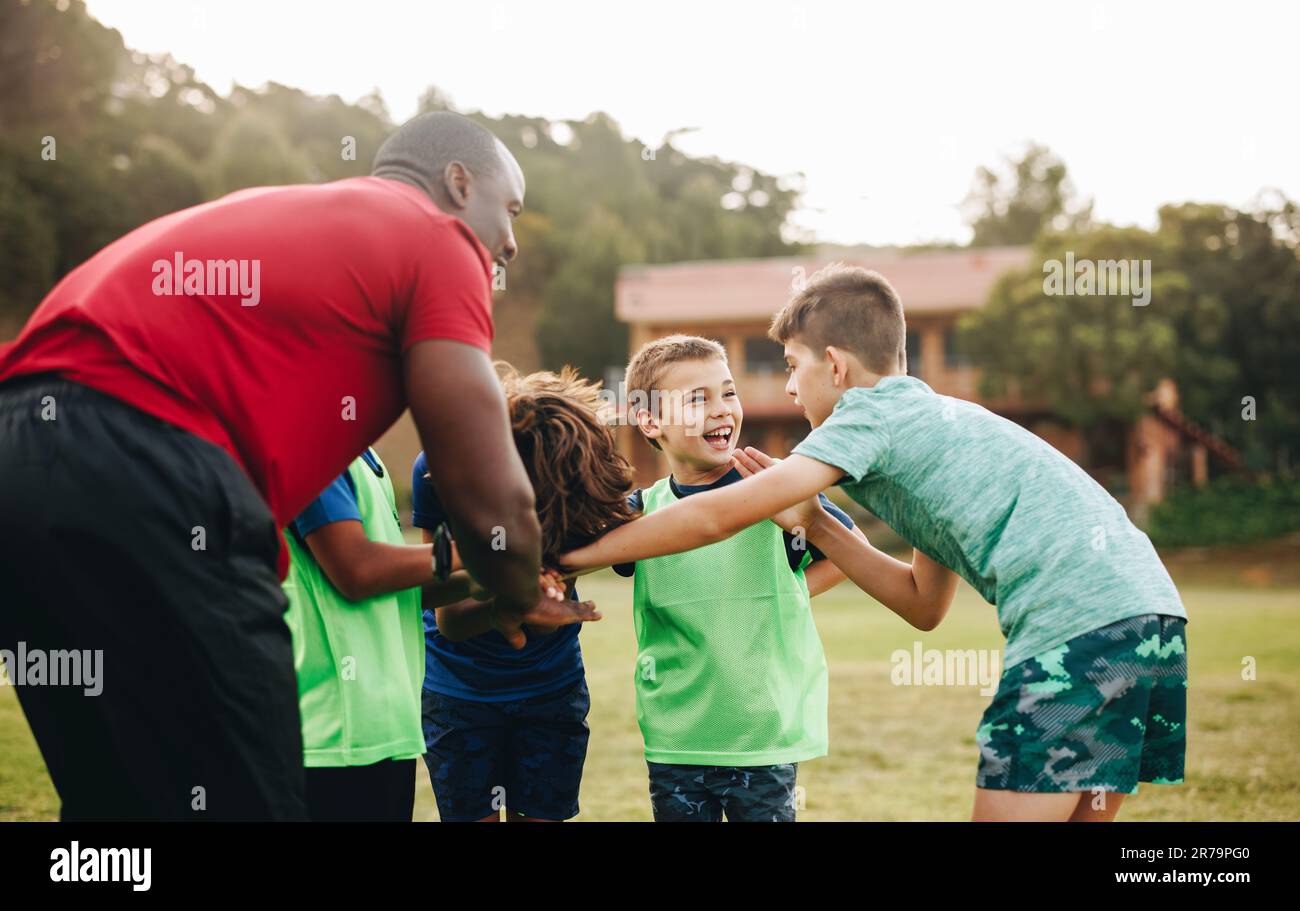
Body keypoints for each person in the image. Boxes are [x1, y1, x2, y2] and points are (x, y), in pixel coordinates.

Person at [0, 111, 570, 820]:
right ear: (457, 183)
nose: (511, 241)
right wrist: (518, 590)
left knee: (119, 816)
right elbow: (489, 498)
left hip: (21, 451)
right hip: (148, 455)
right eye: (509, 208)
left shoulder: (299, 219)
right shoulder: (435, 237)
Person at [562, 264, 1188, 823]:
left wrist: (569, 557)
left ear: (833, 366)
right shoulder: (932, 437)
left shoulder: (869, 415)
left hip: (1074, 621)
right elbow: (922, 605)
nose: (785, 391)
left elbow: (711, 519)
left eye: (790, 368)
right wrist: (820, 525)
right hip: (1148, 613)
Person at [284, 445, 589, 821]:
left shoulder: (368, 458)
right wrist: (492, 554)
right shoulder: (310, 449)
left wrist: (504, 584)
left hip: (385, 725)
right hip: (332, 732)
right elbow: (357, 570)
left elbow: (409, 587)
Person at [414, 365, 635, 822]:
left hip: (551, 687)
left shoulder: (573, 474)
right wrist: (510, 602)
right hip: (458, 689)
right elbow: (448, 615)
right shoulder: (441, 468)